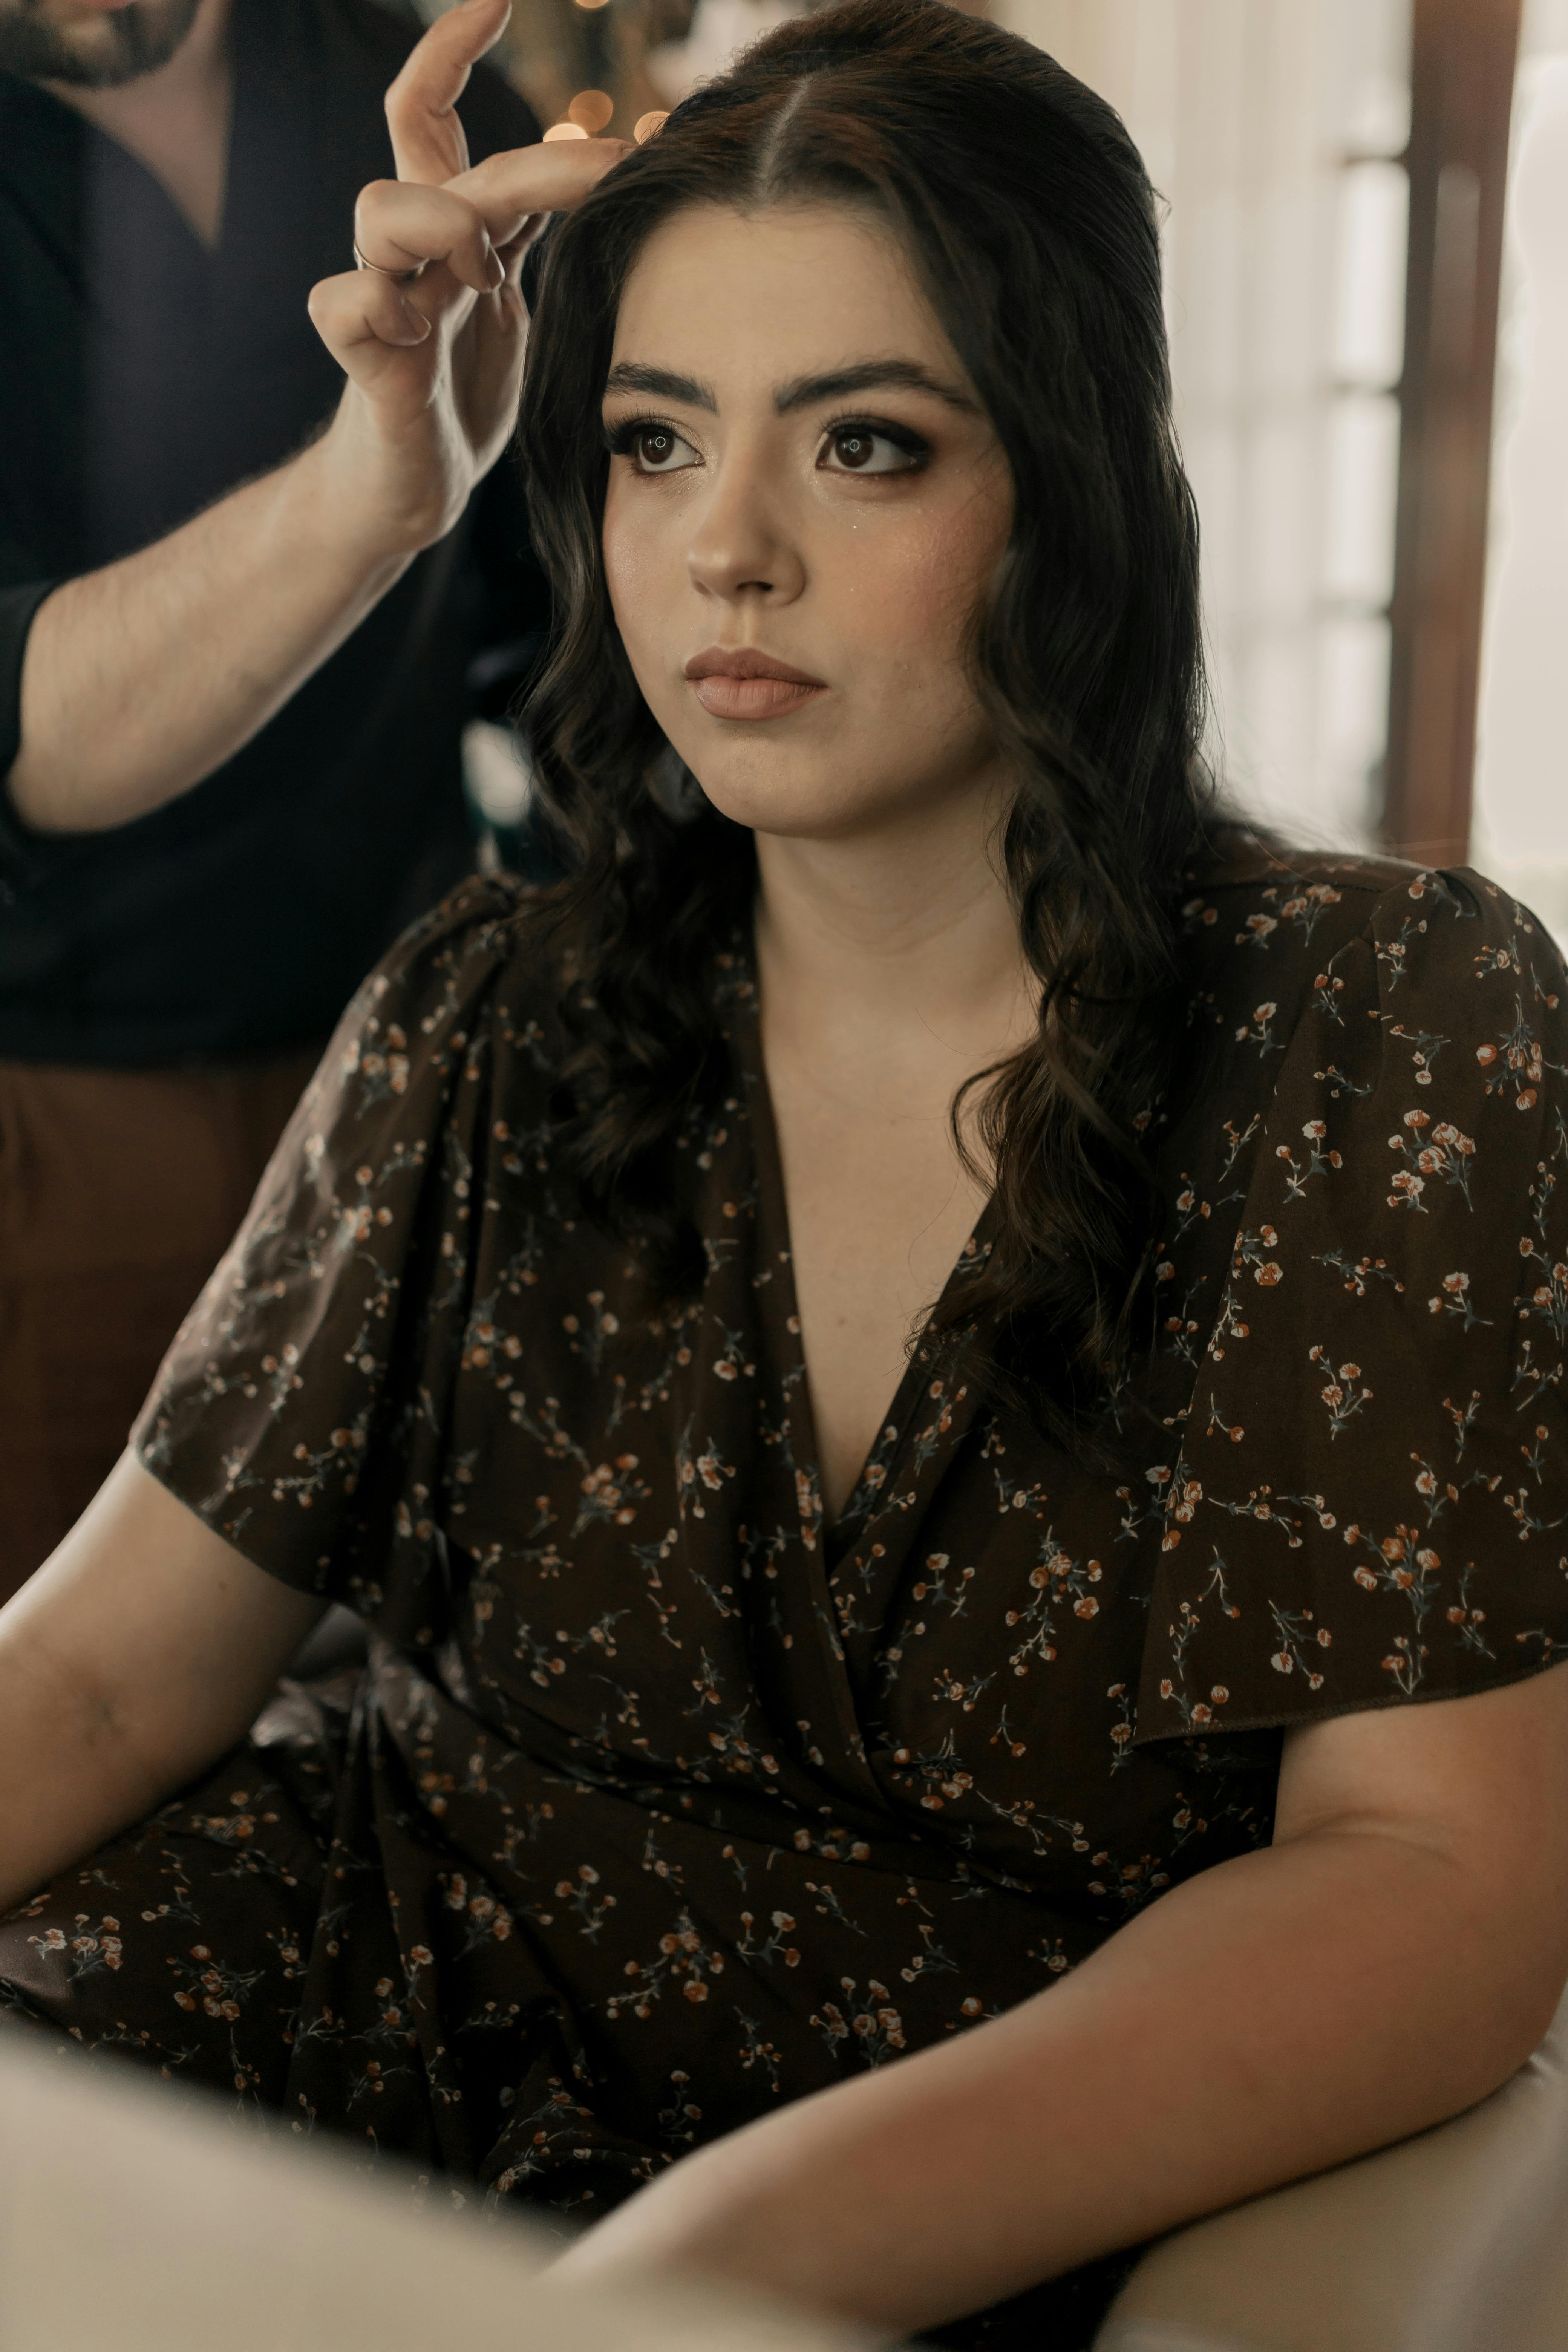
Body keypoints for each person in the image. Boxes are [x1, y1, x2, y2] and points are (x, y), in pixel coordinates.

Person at [5, 3, 1568, 2345]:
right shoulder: (489, 1008)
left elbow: (1430, 1885)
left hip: (951, 2189)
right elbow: (113, 1683)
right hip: (351, 2041)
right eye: (653, 443)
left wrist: (700, 2275)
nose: (726, 551)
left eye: (864, 445)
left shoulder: (1384, 1027)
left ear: (1071, 485)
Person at [0, 0, 566, 1597]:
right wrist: (369, 493)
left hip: (422, 1091)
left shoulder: (430, 109)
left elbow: (551, 626)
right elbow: (30, 736)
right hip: (62, 1123)